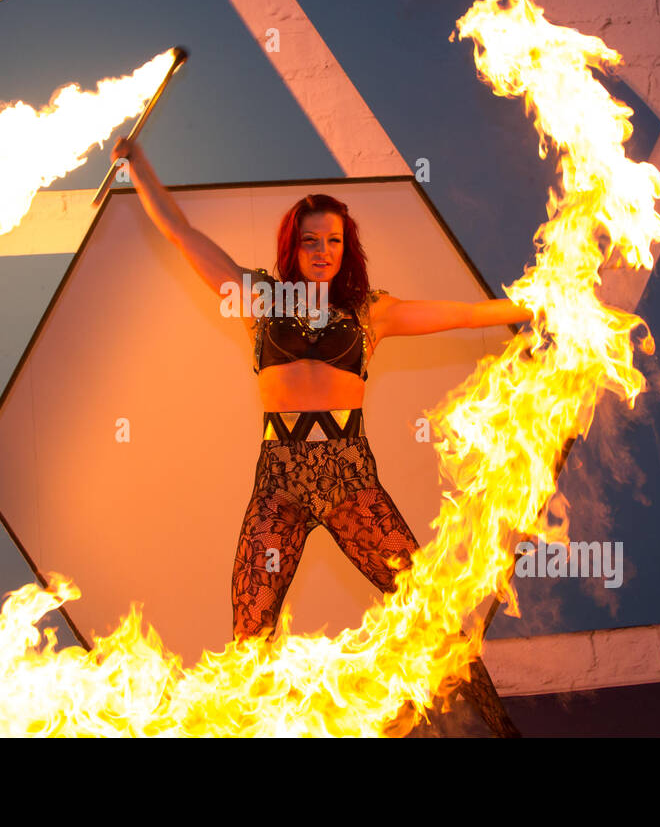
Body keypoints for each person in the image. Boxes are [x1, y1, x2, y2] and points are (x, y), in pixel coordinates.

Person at [110, 137, 531, 736]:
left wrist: (535, 307)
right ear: (293, 245)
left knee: (426, 612)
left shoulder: (370, 312)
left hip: (348, 479)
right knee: (249, 627)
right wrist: (138, 163)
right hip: (278, 482)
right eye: (311, 239)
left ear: (346, 247)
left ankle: (491, 730)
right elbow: (180, 232)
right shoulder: (257, 298)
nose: (323, 251)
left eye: (333, 240)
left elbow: (462, 314)